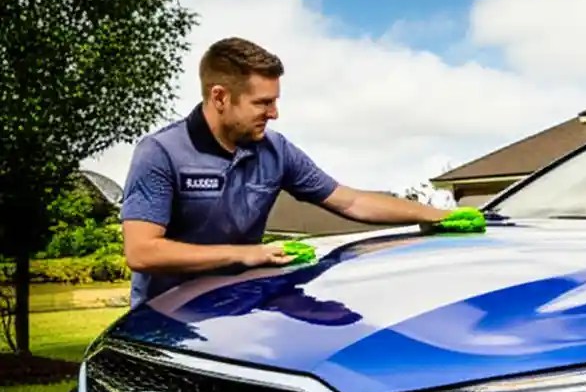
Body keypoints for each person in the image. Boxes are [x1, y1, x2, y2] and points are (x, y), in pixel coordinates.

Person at [120, 36, 451, 307]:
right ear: (220, 97)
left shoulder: (275, 151)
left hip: (240, 310)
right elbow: (142, 251)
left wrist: (435, 216)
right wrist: (248, 255)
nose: (274, 113)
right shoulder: (161, 152)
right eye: (263, 103)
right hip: (165, 321)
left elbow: (350, 202)